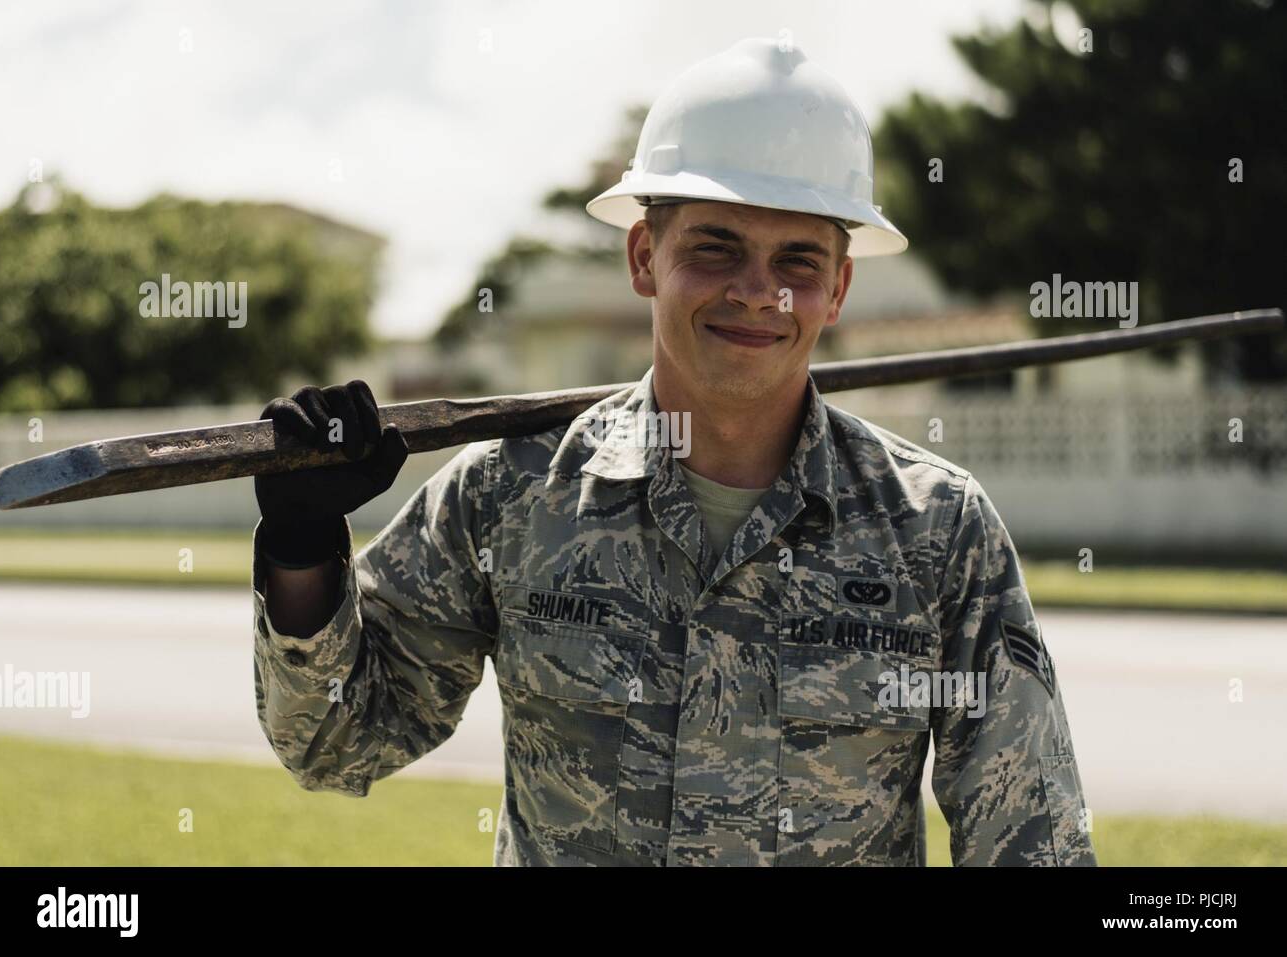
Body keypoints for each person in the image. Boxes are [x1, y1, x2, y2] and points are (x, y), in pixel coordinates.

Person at [251, 37, 1096, 866]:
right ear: (644, 255)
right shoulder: (512, 493)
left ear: (837, 289)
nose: (758, 292)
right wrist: (303, 555)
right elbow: (333, 741)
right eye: (716, 247)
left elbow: (1031, 842)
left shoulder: (939, 529)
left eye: (797, 260)